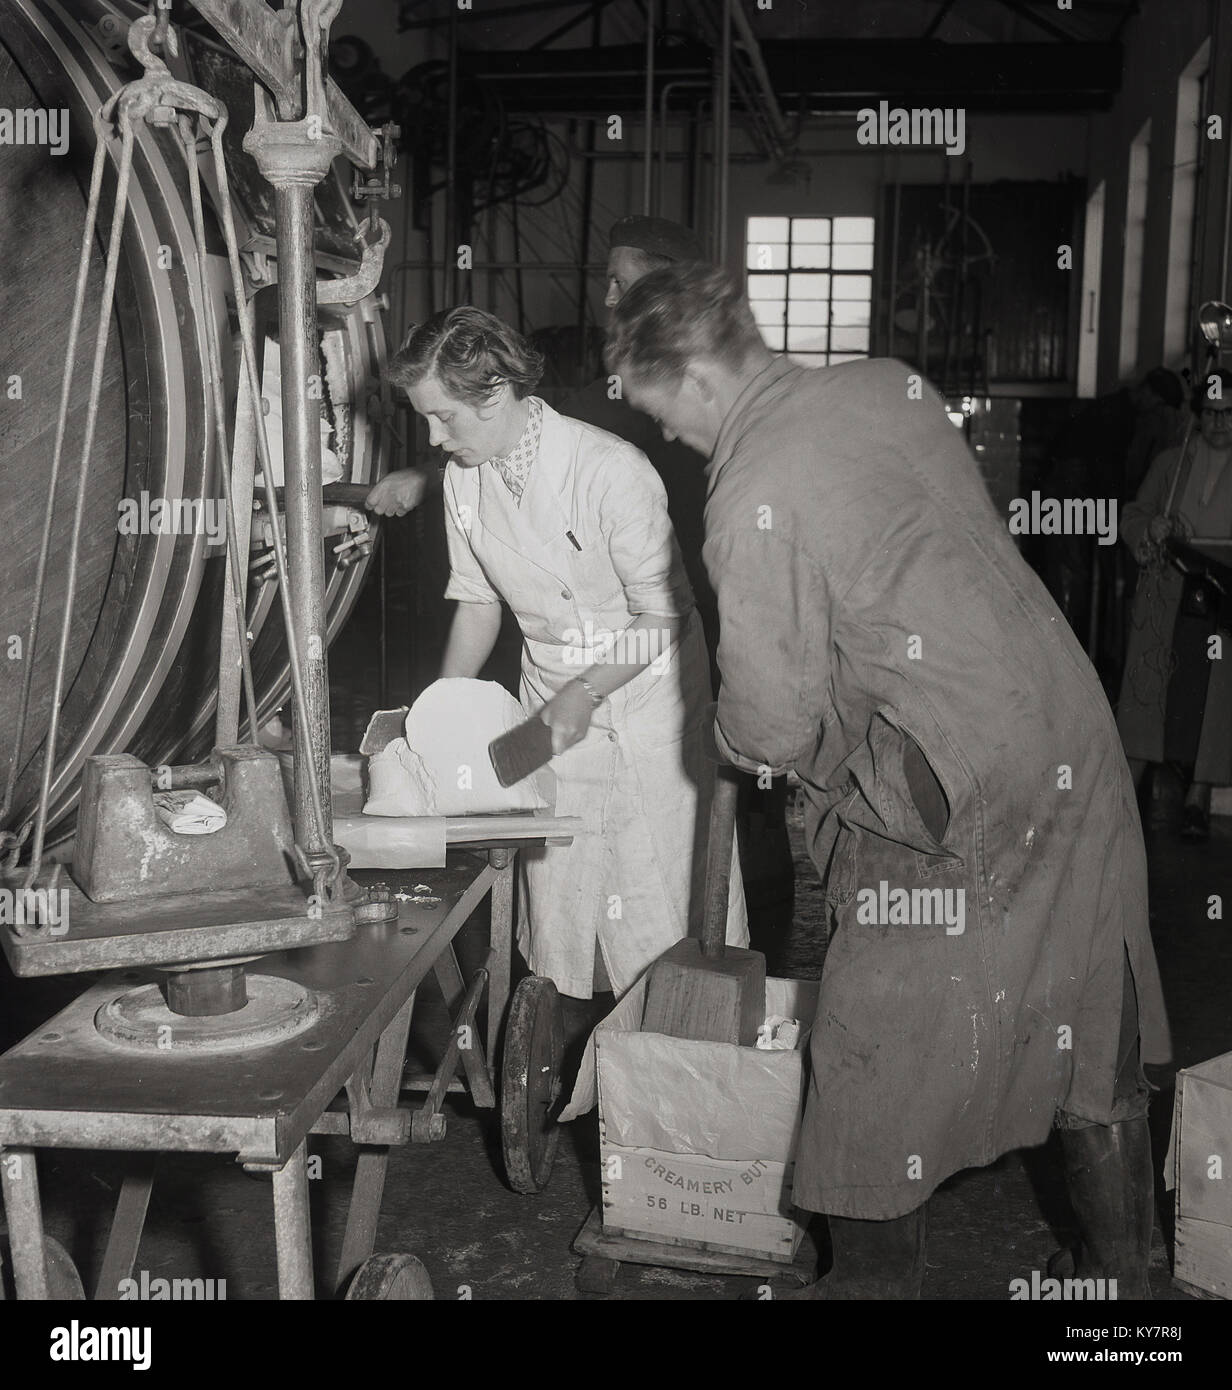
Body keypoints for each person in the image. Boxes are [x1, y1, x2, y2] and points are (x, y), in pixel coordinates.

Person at [605, 264, 1171, 1299]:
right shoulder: (881, 384)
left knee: (872, 1062)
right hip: (1064, 722)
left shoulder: (747, 493)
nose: (673, 439)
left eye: (661, 414)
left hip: (950, 782)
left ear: (690, 376)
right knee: (1085, 1010)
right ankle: (1122, 1278)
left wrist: (734, 737)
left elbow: (770, 720)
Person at [386, 305, 747, 1011]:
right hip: (551, 693)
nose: (433, 437)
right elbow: (479, 601)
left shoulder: (610, 469)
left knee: (660, 900)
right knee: (566, 898)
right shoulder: (464, 478)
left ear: (495, 391)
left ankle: (669, 1048)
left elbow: (665, 611)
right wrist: (438, 713)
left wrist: (587, 691)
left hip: (647, 695)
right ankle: (569, 1042)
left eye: (444, 417)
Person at [1117, 368, 1232, 842]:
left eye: (1228, 414)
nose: (1219, 423)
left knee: (1217, 694)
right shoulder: (1170, 461)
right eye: (1210, 414)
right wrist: (1151, 530)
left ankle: (1199, 794)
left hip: (1225, 596)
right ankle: (1122, 793)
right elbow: (1133, 513)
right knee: (1150, 686)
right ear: (1197, 415)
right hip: (1168, 589)